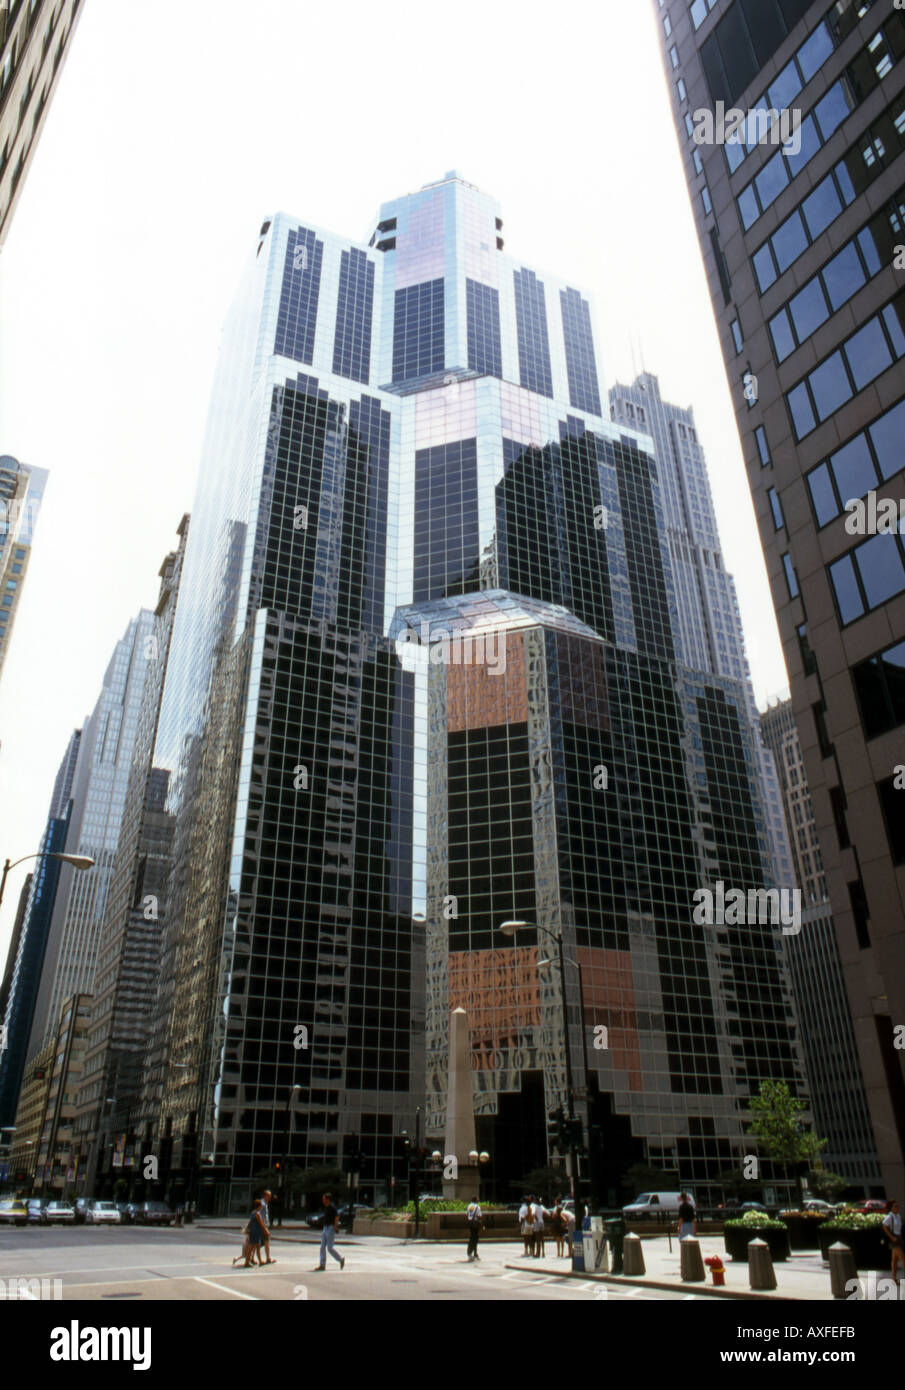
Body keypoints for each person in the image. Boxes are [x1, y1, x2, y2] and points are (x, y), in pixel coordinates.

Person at [315, 1191, 345, 1271]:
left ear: (328, 1199)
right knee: (322, 1247)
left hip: (330, 1228)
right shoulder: (326, 1207)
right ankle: (322, 1265)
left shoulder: (332, 1207)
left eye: (324, 1199)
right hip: (325, 1228)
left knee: (329, 1248)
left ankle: (341, 1259)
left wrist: (335, 1227)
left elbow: (337, 1217)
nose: (323, 1200)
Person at [883, 1199, 904, 1283]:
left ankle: (894, 1278)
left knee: (894, 1260)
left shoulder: (898, 1216)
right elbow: (884, 1226)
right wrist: (892, 1237)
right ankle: (894, 1278)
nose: (897, 1207)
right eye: (895, 1206)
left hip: (899, 1238)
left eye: (897, 1206)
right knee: (903, 1258)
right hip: (894, 1239)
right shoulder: (889, 1217)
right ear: (891, 1208)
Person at [258, 1189, 276, 1264]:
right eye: (269, 1196)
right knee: (266, 1242)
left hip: (263, 1225)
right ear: (265, 1196)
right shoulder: (263, 1204)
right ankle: (268, 1258)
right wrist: (264, 1227)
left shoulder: (264, 1203)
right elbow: (260, 1215)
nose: (270, 1197)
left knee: (260, 1243)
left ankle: (251, 1257)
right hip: (263, 1226)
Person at [466, 1197, 483, 1261]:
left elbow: (467, 1214)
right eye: (478, 1200)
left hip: (470, 1223)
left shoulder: (469, 1206)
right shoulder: (477, 1206)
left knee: (472, 1237)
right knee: (475, 1238)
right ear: (476, 1200)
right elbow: (479, 1215)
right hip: (475, 1223)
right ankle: (472, 1253)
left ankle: (473, 1253)